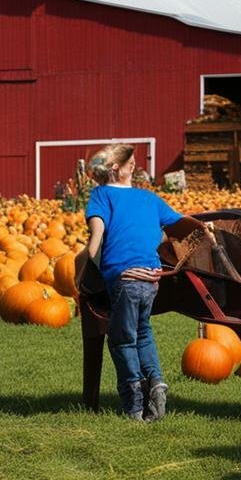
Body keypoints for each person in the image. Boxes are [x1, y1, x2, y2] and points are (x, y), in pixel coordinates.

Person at [85, 143, 186, 422]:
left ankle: (134, 406)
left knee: (120, 340)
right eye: (133, 164)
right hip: (152, 279)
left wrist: (91, 271)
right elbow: (177, 228)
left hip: (125, 278)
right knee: (143, 332)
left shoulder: (101, 196)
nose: (136, 167)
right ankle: (156, 383)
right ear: (122, 169)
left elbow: (95, 242)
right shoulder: (149, 199)